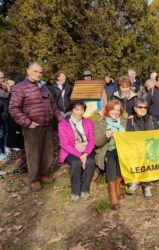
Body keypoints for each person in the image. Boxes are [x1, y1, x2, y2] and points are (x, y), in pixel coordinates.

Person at [9, 62, 63, 191]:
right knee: (33, 154)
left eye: (40, 72)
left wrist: (60, 119)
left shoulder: (44, 87)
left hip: (47, 125)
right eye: (35, 71)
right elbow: (13, 108)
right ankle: (34, 179)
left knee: (47, 153)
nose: (38, 74)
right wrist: (28, 123)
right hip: (32, 127)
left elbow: (53, 105)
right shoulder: (20, 87)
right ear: (28, 71)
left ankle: (44, 174)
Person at [92, 100, 127, 210]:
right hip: (106, 150)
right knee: (111, 161)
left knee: (121, 160)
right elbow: (97, 142)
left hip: (120, 149)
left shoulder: (123, 120)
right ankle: (113, 195)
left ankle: (118, 187)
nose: (115, 112)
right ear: (108, 109)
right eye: (113, 109)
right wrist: (105, 135)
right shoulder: (100, 121)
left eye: (118, 110)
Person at [58, 101, 95, 203]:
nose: (80, 112)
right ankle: (75, 191)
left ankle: (85, 189)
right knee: (76, 163)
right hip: (70, 151)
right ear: (72, 110)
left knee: (90, 161)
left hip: (86, 149)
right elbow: (65, 145)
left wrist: (86, 154)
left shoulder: (88, 122)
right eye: (76, 109)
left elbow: (91, 141)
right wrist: (80, 156)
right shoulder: (63, 124)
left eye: (82, 110)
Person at [126, 98, 159, 199]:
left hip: (150, 148)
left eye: (145, 107)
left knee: (147, 157)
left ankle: (147, 186)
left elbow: (158, 134)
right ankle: (135, 181)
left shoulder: (152, 120)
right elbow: (128, 137)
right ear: (135, 108)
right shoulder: (130, 121)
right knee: (137, 155)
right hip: (135, 148)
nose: (143, 109)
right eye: (140, 107)